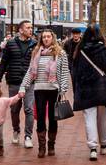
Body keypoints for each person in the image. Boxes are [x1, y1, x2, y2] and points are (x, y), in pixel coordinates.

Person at [71, 23, 106, 161]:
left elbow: (75, 73)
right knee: (103, 117)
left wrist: (76, 90)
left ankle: (92, 147)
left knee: (89, 117)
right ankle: (103, 144)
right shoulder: (103, 50)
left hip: (86, 88)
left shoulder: (80, 51)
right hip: (102, 87)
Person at [20, 28, 70, 157]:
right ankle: (41, 147)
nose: (46, 39)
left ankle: (51, 145)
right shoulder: (36, 52)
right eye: (44, 37)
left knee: (53, 118)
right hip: (39, 89)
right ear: (41, 39)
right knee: (41, 118)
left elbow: (64, 72)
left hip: (54, 89)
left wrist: (63, 88)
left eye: (48, 36)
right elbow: (31, 72)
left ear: (52, 38)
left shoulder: (60, 53)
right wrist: (23, 87)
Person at [0, 20, 37, 149]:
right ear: (21, 30)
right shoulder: (11, 43)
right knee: (14, 109)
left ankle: (28, 136)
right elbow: (4, 61)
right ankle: (16, 130)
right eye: (28, 28)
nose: (30, 30)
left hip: (29, 82)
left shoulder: (35, 44)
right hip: (14, 81)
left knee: (29, 109)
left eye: (31, 27)